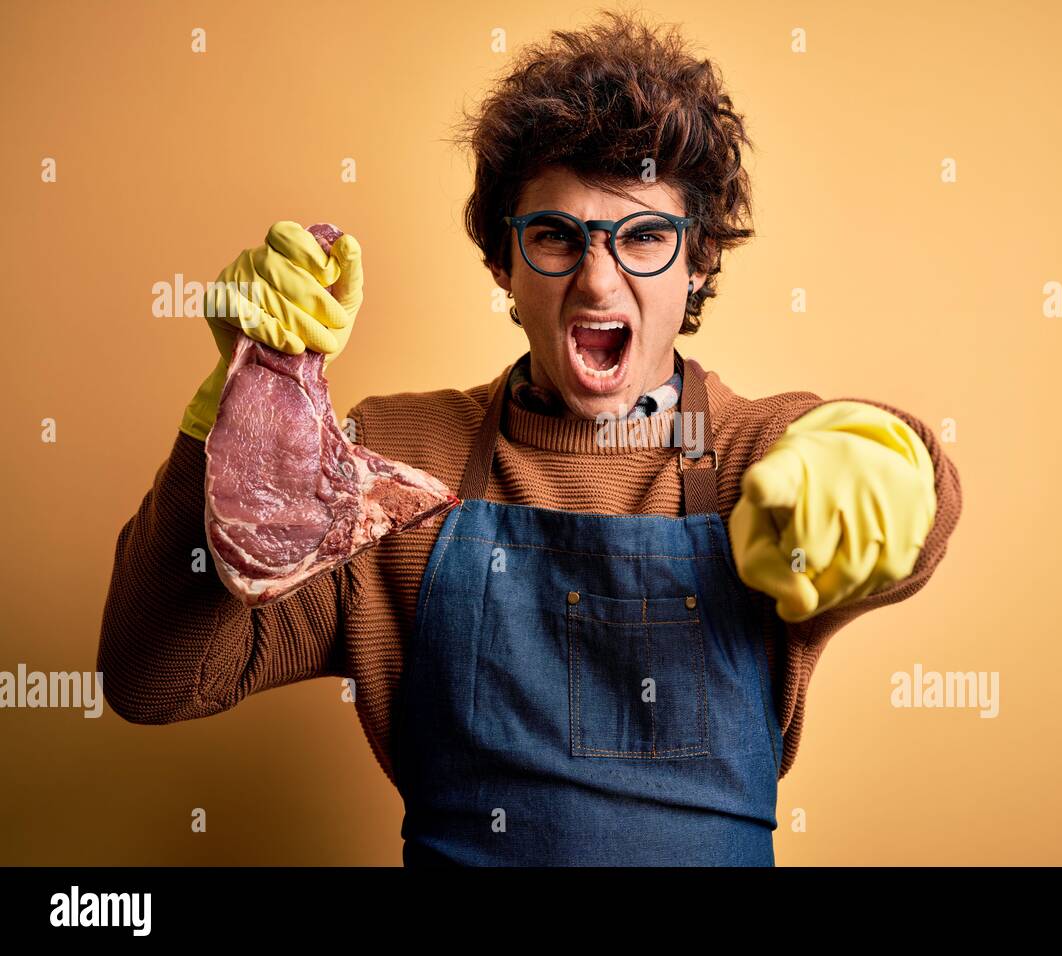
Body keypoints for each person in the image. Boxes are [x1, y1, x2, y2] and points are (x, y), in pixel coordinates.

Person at [98, 10, 962, 866]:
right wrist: (238, 408)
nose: (598, 281)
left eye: (646, 238)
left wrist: (884, 462)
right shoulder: (395, 462)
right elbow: (155, 680)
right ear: (501, 264)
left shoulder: (753, 457)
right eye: (555, 236)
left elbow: (919, 512)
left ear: (699, 263)